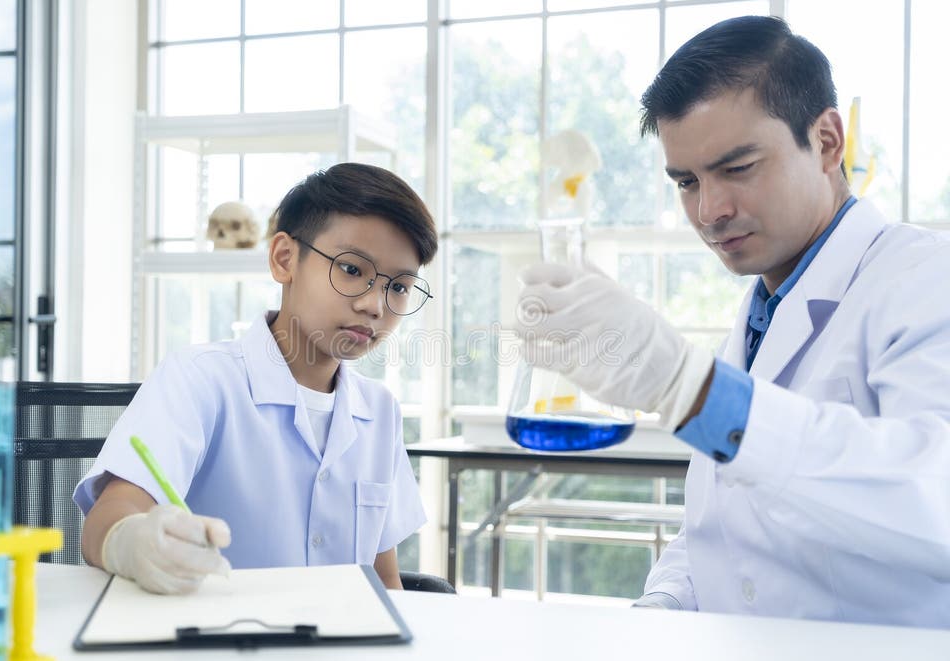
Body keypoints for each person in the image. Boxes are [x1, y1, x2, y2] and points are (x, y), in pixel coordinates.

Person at [515, 15, 950, 627]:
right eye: (687, 181)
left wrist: (694, 392)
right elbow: (721, 526)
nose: (709, 210)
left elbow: (935, 501)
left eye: (738, 167)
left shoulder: (928, 279)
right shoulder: (757, 319)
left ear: (827, 141)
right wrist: (662, 607)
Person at [75, 162, 438, 595]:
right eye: (352, 270)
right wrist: (133, 543)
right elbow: (108, 519)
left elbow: (384, 581)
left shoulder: (379, 411)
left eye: (398, 287)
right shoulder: (200, 380)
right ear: (285, 259)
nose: (375, 305)